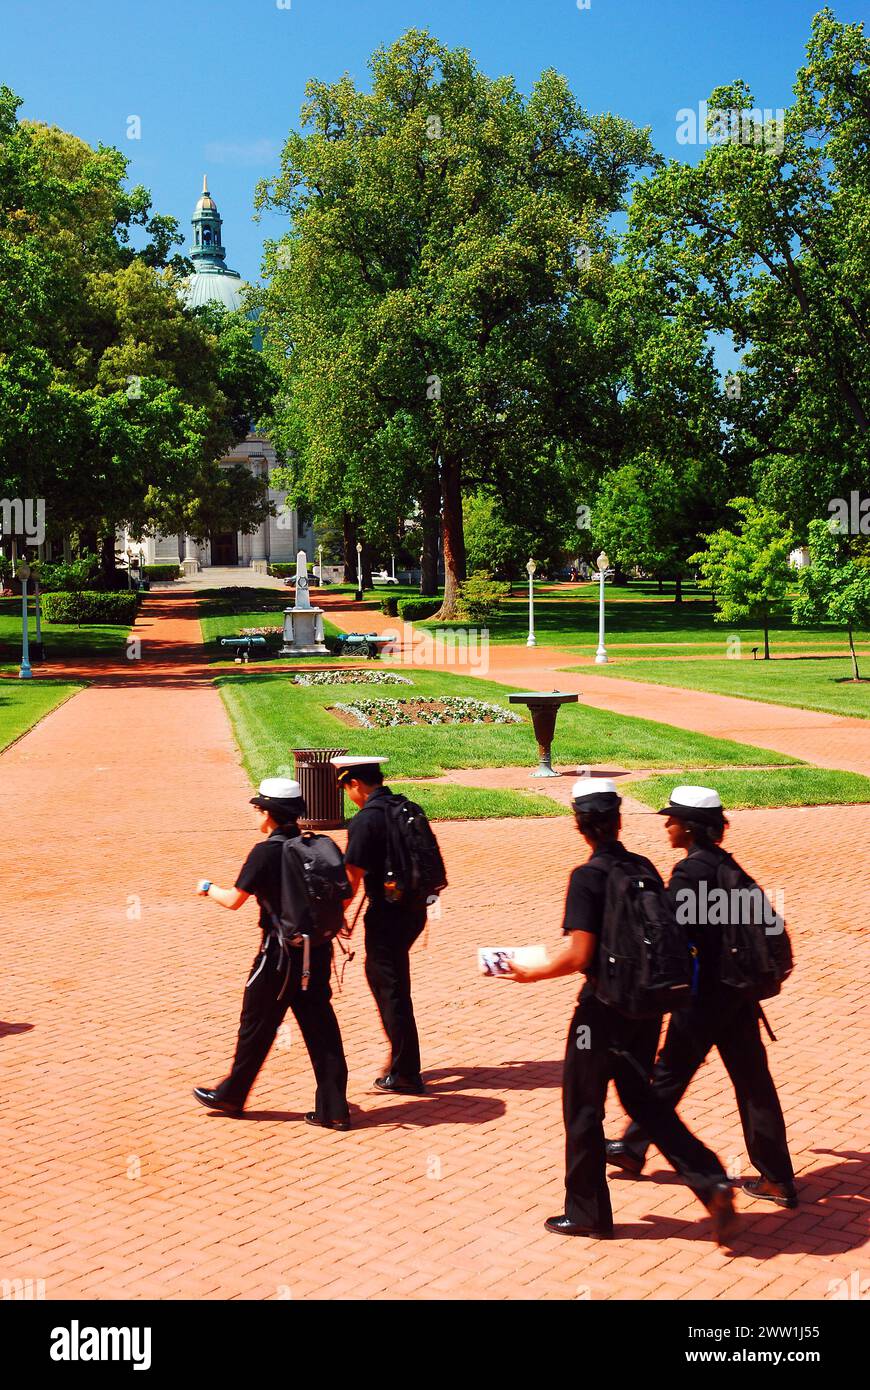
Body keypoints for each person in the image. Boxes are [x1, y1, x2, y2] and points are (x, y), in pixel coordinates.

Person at [504, 778, 736, 1242]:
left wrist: (532, 971)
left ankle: (587, 1212)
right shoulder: (644, 865)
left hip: (600, 1012)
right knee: (642, 1101)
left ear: (580, 825)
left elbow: (579, 956)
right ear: (617, 820)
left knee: (583, 1107)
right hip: (645, 1005)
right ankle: (709, 1178)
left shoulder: (587, 877)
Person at [607, 786, 798, 1208]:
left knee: (670, 1072)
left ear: (689, 827)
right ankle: (778, 1179)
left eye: (672, 818)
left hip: (706, 998)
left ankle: (634, 1146)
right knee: (753, 1084)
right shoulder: (727, 866)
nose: (667, 824)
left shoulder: (691, 872)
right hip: (738, 995)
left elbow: (670, 932)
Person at [193, 776, 350, 1130]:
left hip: (278, 955)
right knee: (321, 1028)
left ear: (269, 813)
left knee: (256, 1024)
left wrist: (207, 888)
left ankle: (232, 1094)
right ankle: (334, 1108)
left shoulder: (266, 851)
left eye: (259, 810)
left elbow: (233, 901)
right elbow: (341, 895)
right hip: (318, 951)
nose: (257, 816)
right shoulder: (320, 846)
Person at [334, 756, 429, 1096]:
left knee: (390, 989)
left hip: (387, 915)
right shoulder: (407, 806)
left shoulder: (366, 820)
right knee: (394, 984)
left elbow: (351, 877)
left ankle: (405, 1071)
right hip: (415, 910)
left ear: (355, 783)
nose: (349, 796)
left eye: (346, 789)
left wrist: (337, 914)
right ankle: (401, 1059)